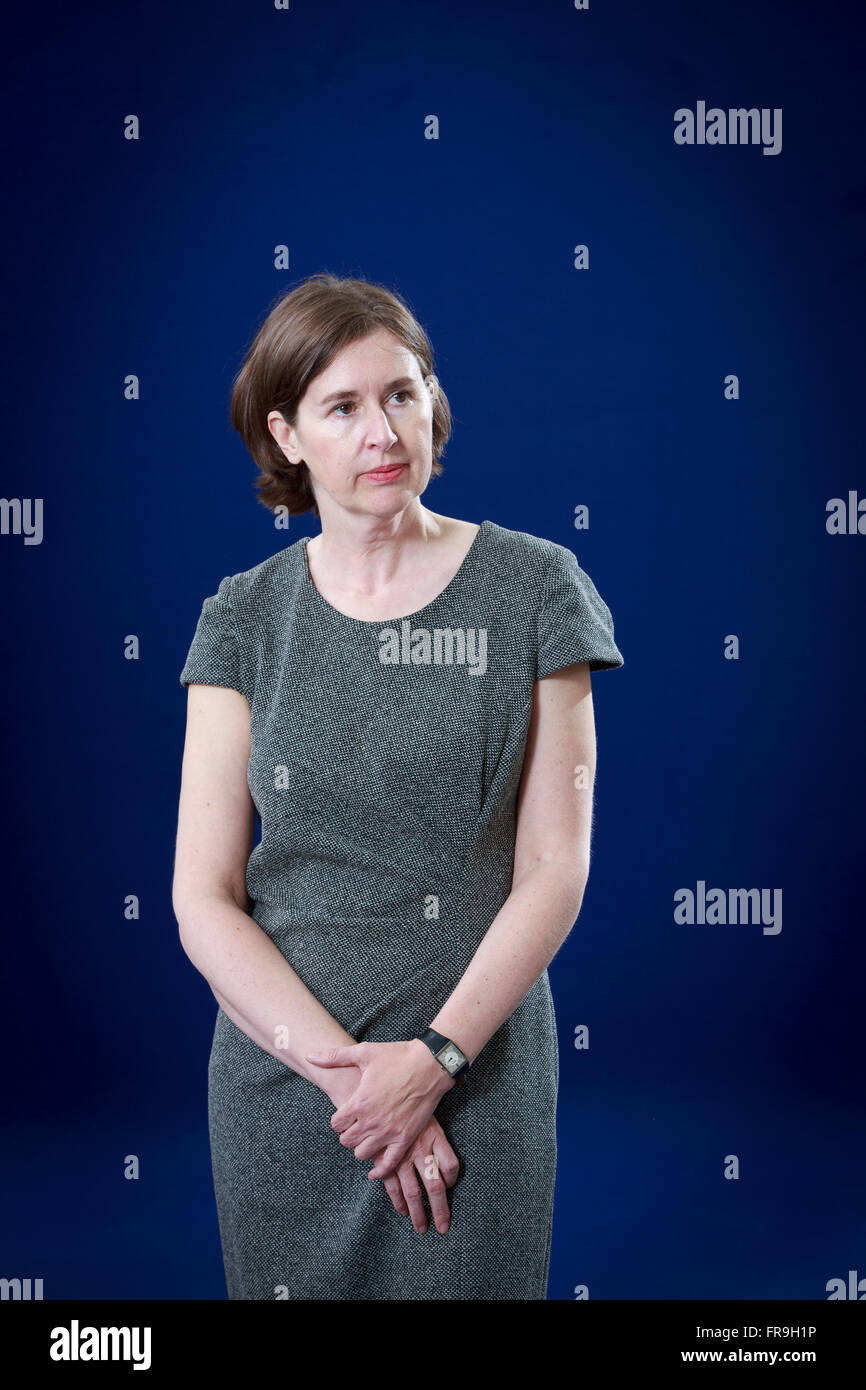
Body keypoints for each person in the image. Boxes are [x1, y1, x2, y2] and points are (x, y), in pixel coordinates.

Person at [172, 272, 624, 1300]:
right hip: (288, 1085)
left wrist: (431, 1063)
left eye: (403, 393)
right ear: (287, 435)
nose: (384, 429)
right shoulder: (242, 618)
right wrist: (354, 1081)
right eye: (343, 406)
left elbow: (554, 867)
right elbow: (203, 898)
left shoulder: (534, 588)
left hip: (478, 1071)